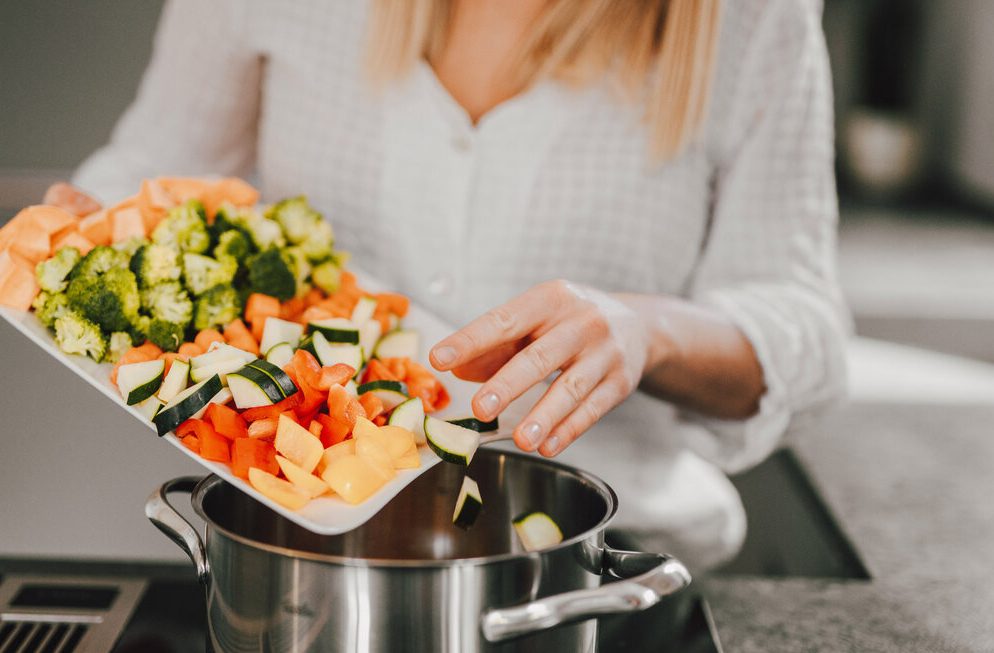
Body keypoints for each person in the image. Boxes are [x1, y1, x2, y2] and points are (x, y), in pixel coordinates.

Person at [49, 0, 849, 572]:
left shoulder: (754, 19)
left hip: (605, 570)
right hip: (299, 558)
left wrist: (648, 332)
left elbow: (806, 332)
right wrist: (87, 229)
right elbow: (153, 171)